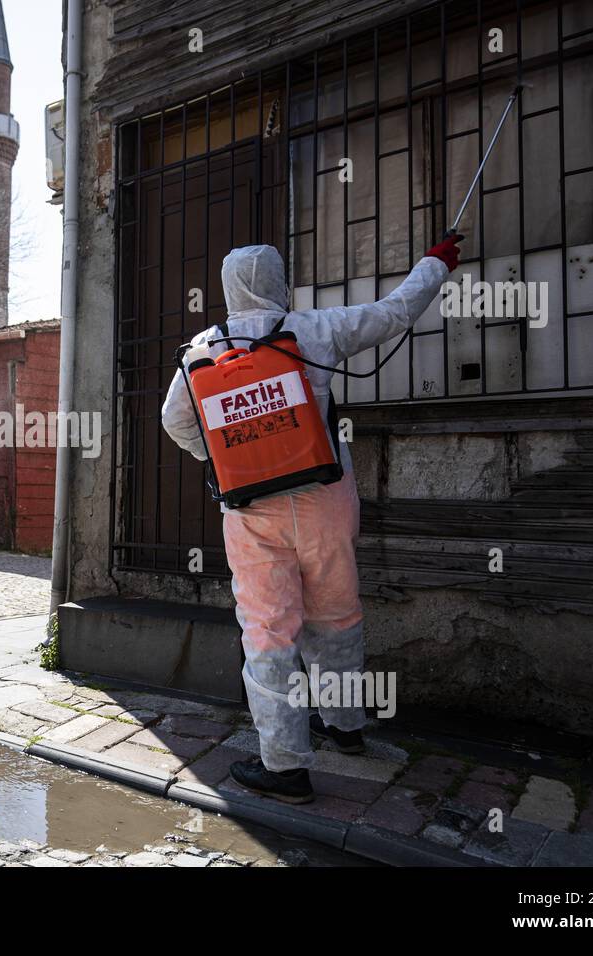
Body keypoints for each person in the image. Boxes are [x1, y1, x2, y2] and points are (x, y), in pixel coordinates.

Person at [161, 234, 463, 803]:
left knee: (270, 631)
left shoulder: (201, 348)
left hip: (251, 508)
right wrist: (435, 263)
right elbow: (395, 313)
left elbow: (175, 422)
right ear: (280, 282)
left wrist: (226, 453)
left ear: (229, 289)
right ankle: (345, 726)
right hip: (325, 498)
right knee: (337, 614)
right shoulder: (314, 330)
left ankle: (285, 768)